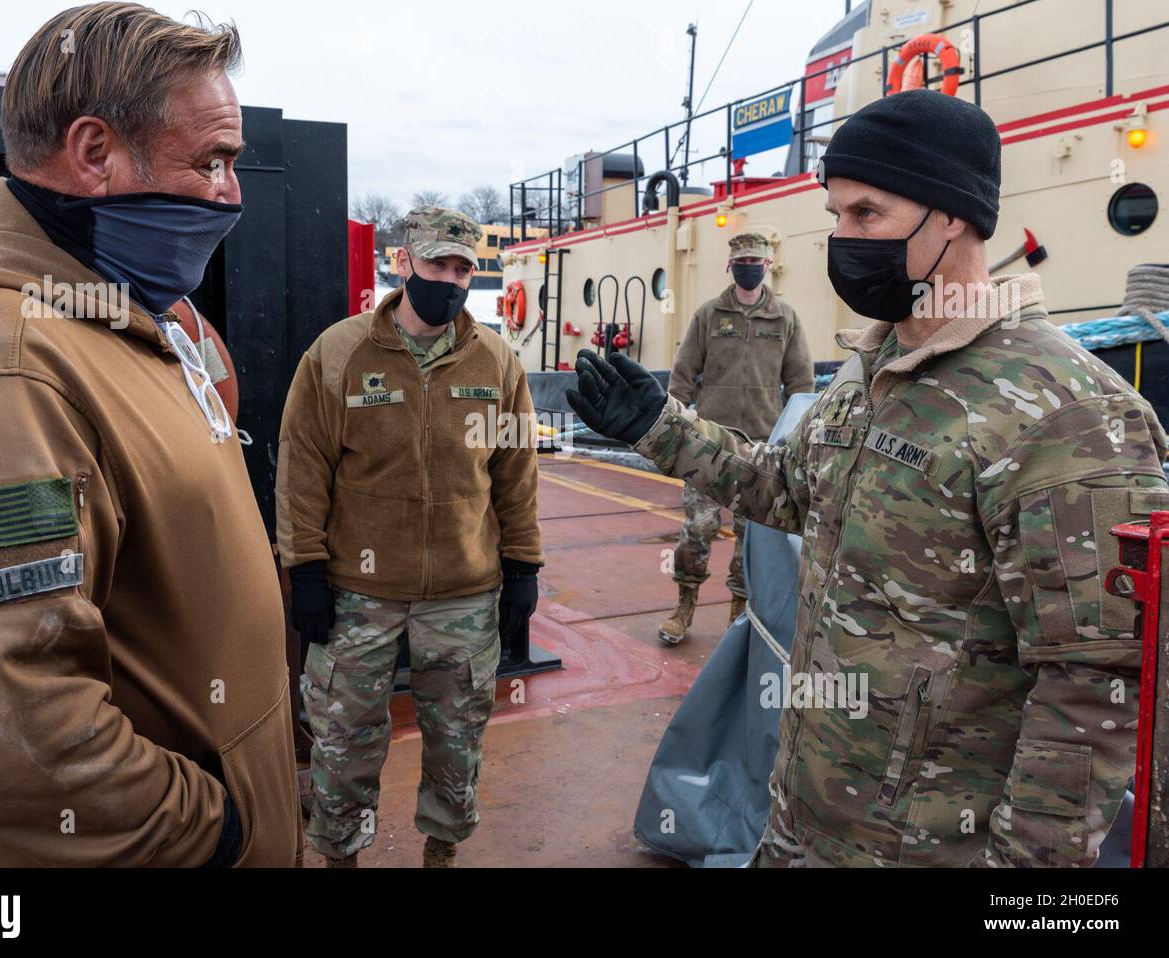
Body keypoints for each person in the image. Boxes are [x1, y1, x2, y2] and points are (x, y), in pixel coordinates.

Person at [567, 89, 1169, 867]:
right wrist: (658, 428)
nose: (842, 238)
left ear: (951, 215)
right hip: (803, 820)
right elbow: (784, 488)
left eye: (867, 214)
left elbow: (1093, 689)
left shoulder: (1066, 412)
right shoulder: (870, 369)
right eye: (837, 215)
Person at [0, 2, 300, 866]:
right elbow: (28, 743)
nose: (231, 192)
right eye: (210, 161)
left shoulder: (117, 316)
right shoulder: (1, 368)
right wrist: (221, 833)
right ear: (95, 152)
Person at [276, 205, 543, 867]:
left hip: (464, 595)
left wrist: (524, 566)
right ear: (404, 263)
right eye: (437, 265)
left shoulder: (496, 362)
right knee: (342, 748)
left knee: (458, 747)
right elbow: (302, 467)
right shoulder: (339, 354)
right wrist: (304, 568)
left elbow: (516, 472)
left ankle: (441, 855)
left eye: (462, 269)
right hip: (357, 598)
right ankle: (340, 857)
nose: (450, 281)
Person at [662, 232, 814, 643]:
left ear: (767, 266)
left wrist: (796, 438)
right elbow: (682, 376)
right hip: (707, 444)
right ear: (730, 266)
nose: (748, 267)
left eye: (755, 261)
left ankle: (737, 616)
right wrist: (675, 430)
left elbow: (800, 385)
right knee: (698, 528)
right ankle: (684, 605)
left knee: (753, 541)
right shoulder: (709, 315)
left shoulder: (785, 318)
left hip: (762, 450)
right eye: (741, 260)